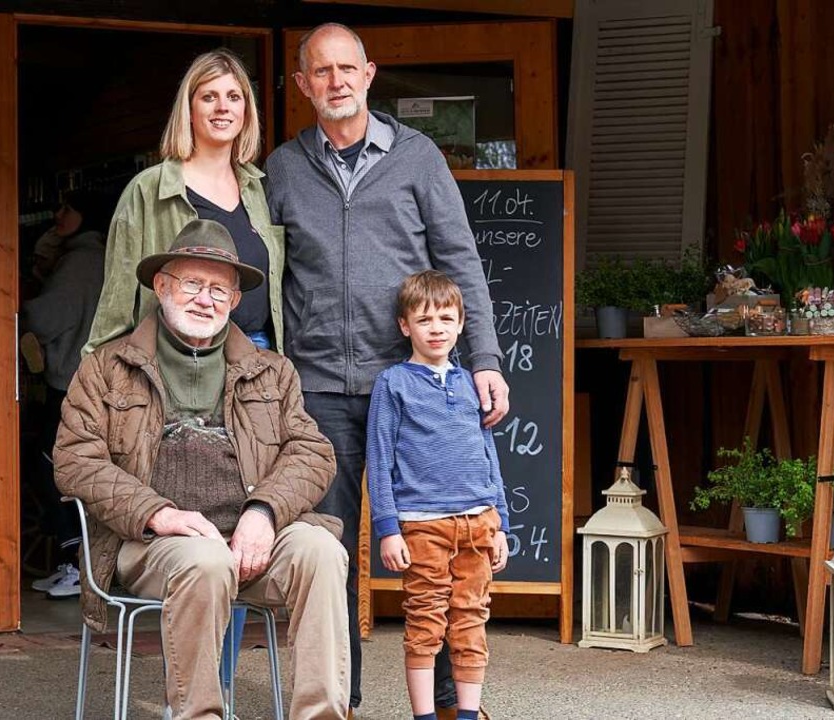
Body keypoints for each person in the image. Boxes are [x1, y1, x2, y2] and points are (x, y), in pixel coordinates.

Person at [265, 22, 509, 719]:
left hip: (419, 388)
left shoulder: (417, 157)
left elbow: (461, 264)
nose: (336, 81)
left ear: (369, 75)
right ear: (302, 82)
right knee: (329, 556)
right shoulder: (282, 169)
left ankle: (442, 707)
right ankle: (339, 700)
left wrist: (483, 360)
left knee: (438, 552)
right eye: (321, 71)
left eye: (348, 68)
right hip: (316, 387)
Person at [54, 219, 350, 719]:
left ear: (235, 301)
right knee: (204, 562)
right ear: (162, 287)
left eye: (218, 289)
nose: (204, 299)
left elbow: (312, 452)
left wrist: (264, 511)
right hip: (152, 545)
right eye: (192, 284)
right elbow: (75, 459)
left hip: (253, 541)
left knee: (320, 549)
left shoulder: (271, 370)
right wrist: (159, 514)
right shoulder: (106, 368)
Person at [367, 271, 510, 720]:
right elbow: (379, 456)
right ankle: (425, 716)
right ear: (404, 326)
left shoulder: (472, 383)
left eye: (447, 318)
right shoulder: (393, 383)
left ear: (462, 324)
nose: (436, 328)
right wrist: (387, 529)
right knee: (425, 622)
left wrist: (501, 521)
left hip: (479, 521)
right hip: (422, 524)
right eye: (424, 319)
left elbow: (489, 454)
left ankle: (466, 714)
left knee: (471, 619)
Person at [85, 48, 283, 355]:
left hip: (254, 356)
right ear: (189, 109)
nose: (222, 107)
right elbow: (117, 299)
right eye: (208, 97)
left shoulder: (259, 189)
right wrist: (99, 374)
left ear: (246, 109)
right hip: (173, 356)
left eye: (234, 97)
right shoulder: (149, 189)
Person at [22, 188, 110, 598]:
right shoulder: (92, 255)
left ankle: (76, 562)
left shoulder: (80, 262)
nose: (58, 213)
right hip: (90, 379)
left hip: (72, 380)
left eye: (68, 208)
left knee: (53, 465)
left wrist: (21, 307)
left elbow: (47, 316)